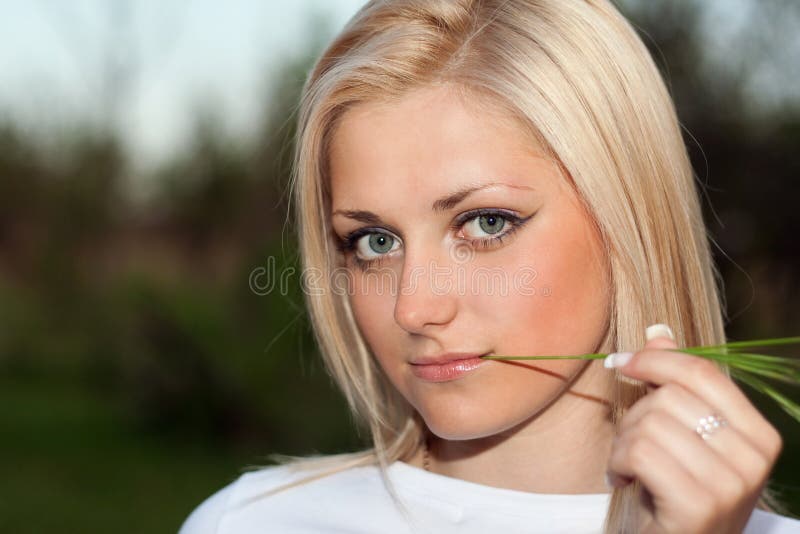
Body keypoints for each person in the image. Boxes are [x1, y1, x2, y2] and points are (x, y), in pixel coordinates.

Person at [180, 1, 800, 532]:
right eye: (374, 241)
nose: (414, 308)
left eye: (486, 223)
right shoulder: (252, 522)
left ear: (628, 218)